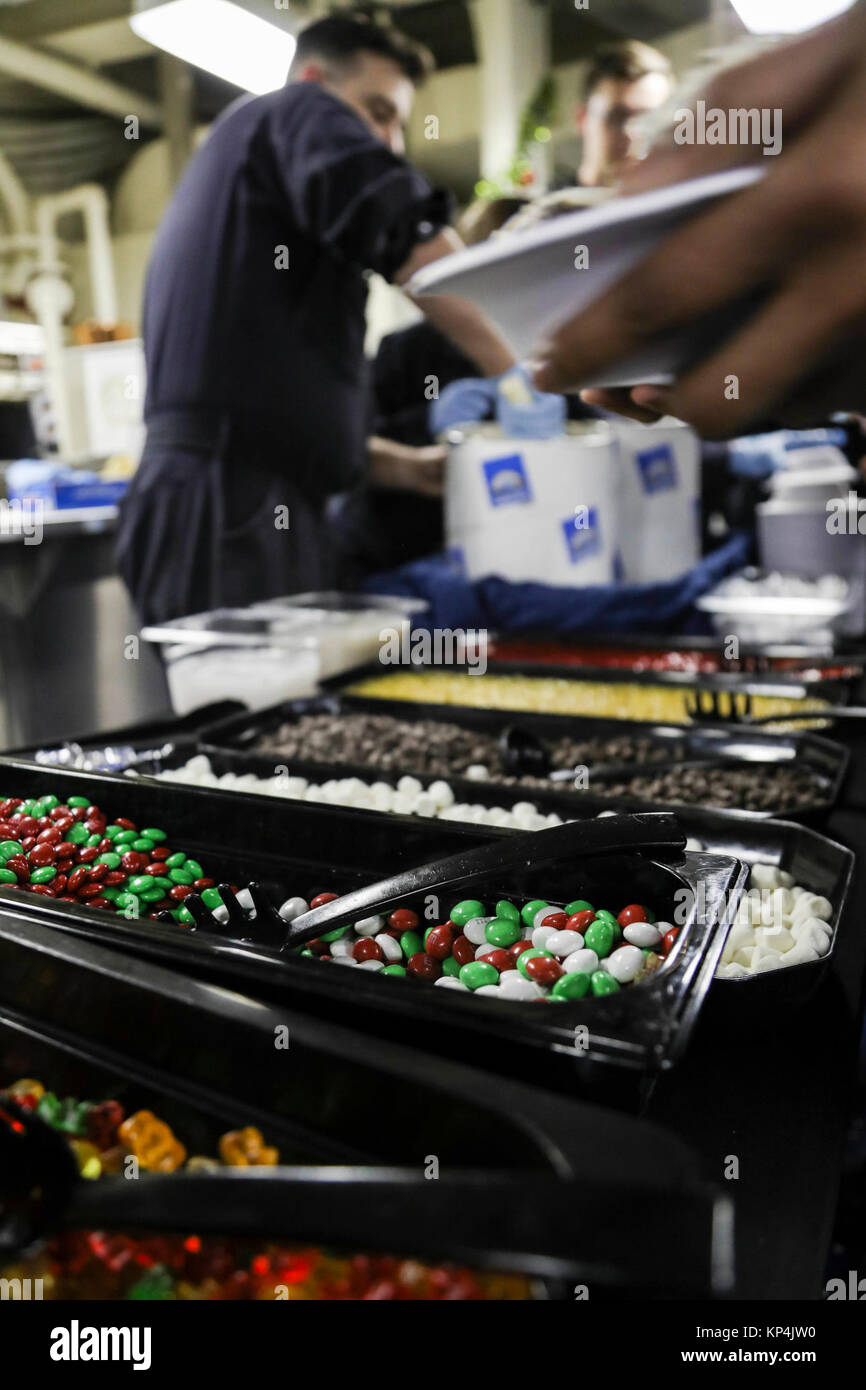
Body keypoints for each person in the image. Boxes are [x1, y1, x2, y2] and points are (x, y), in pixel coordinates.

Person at [116, 14, 513, 626]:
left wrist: (403, 468)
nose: (391, 143)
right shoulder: (296, 108)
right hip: (229, 508)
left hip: (235, 502)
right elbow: (403, 225)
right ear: (312, 80)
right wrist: (523, 364)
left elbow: (271, 408)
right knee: (256, 714)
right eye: (378, 112)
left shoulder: (259, 184)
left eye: (401, 124)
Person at [532, 1, 866, 439]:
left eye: (646, 119)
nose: (632, 137)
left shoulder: (742, 228)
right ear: (582, 120)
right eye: (617, 118)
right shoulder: (539, 227)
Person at [330, 195, 530, 584]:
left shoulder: (552, 362)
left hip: (508, 569)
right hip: (391, 563)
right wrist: (422, 443)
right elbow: (345, 448)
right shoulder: (407, 352)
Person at [574, 39, 674, 189]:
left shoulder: (689, 209)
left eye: (650, 120)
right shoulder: (539, 211)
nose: (633, 134)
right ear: (582, 119)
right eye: (617, 118)